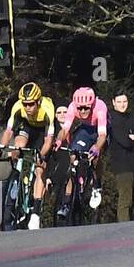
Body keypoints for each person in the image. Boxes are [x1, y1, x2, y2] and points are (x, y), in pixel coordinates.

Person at [0, 81, 55, 229]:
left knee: (39, 169)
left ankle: (35, 212)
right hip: (27, 126)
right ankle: (16, 175)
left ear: (38, 101)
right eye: (25, 104)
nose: (28, 107)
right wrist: (1, 149)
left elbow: (48, 141)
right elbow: (9, 131)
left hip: (43, 130)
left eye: (31, 104)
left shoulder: (48, 109)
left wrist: (41, 156)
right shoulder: (18, 108)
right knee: (18, 146)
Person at [54, 86, 108, 221]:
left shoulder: (100, 107)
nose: (83, 111)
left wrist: (96, 147)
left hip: (101, 129)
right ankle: (66, 203)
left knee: (96, 156)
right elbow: (65, 129)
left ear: (92, 105)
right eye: (80, 108)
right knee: (73, 156)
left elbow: (102, 136)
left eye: (86, 108)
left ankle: (97, 184)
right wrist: (59, 140)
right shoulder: (72, 107)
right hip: (86, 129)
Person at [108, 93, 134, 223]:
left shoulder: (131, 118)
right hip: (121, 165)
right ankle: (124, 229)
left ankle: (131, 228)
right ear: (113, 102)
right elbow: (125, 141)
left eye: (125, 101)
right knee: (125, 200)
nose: (122, 104)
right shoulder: (112, 119)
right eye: (119, 101)